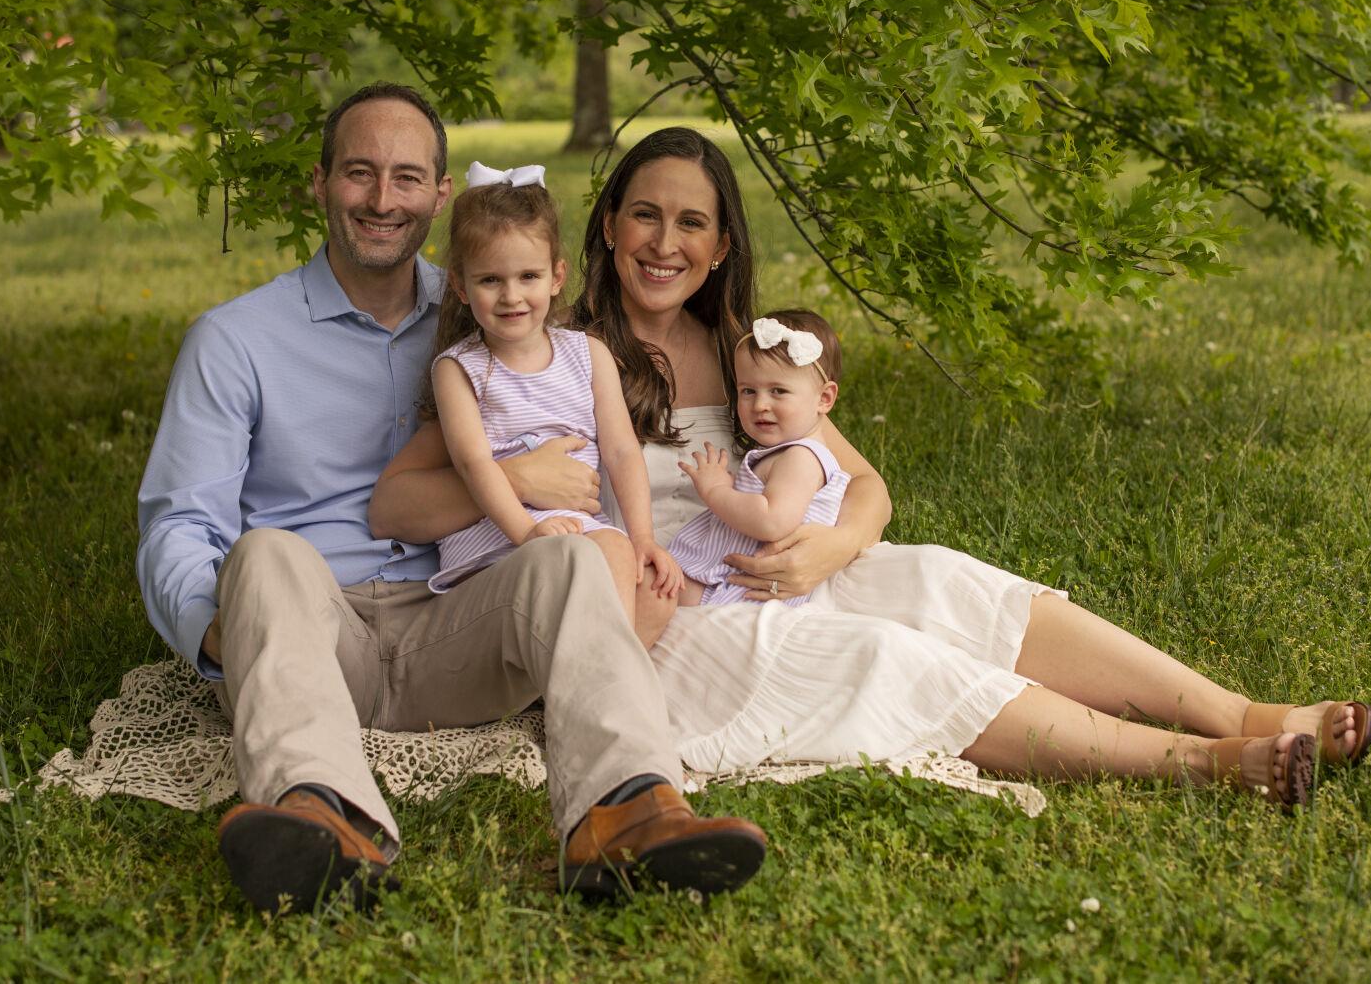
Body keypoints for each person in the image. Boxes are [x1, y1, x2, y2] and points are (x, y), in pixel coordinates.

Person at [372, 125, 1371, 812]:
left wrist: (832, 547)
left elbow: (864, 483)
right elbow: (399, 499)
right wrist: (530, 480)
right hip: (660, 605)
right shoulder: (546, 349)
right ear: (602, 228)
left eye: (690, 223)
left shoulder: (745, 347)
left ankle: (1237, 708)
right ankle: (1203, 762)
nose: (664, 241)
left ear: (722, 247)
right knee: (885, 659)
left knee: (940, 575)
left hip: (769, 553)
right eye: (643, 215)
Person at [136, 86, 766, 914]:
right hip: (308, 630)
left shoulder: (490, 306)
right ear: (319, 183)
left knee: (572, 556)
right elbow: (178, 524)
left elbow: (600, 403)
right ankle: (323, 815)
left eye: (406, 177)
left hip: (458, 624)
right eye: (359, 173)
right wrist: (227, 633)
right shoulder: (236, 340)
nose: (382, 198)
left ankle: (625, 807)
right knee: (264, 553)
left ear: (441, 196)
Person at [425, 162, 682, 626]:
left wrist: (644, 537)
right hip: (497, 540)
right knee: (607, 552)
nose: (511, 296)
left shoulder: (587, 354)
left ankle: (581, 675)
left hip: (577, 530)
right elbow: (474, 465)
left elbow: (622, 452)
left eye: (528, 276)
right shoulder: (459, 370)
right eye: (490, 280)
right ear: (461, 286)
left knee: (655, 590)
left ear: (557, 276)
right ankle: (607, 677)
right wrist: (527, 532)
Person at [671, 309, 849, 608]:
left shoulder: (801, 457)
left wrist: (717, 491)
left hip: (747, 593)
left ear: (824, 398)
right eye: (748, 391)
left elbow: (772, 521)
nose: (760, 405)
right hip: (737, 581)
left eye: (778, 391)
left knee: (661, 593)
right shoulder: (786, 452)